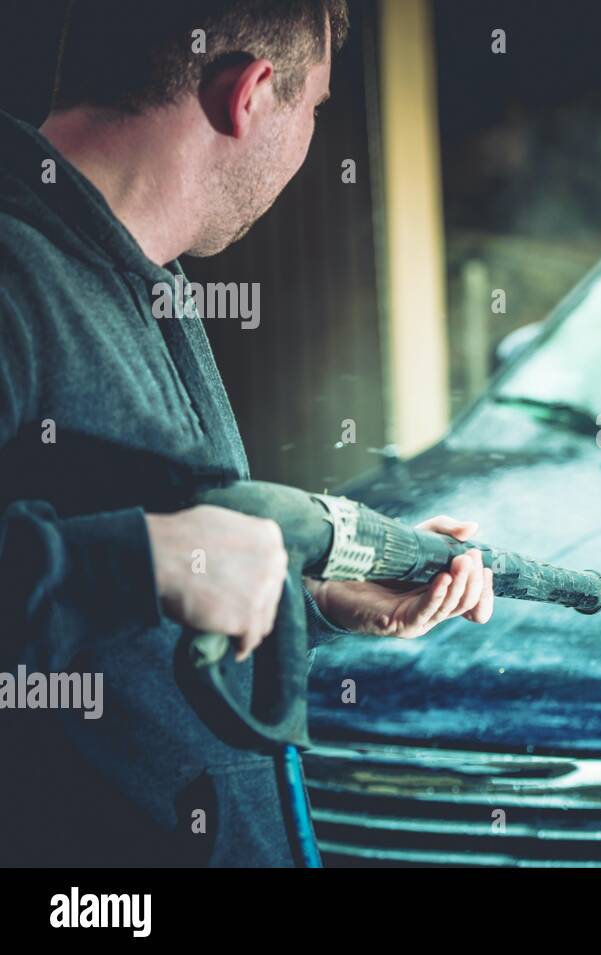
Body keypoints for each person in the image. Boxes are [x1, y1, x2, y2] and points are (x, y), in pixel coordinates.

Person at [0, 0, 492, 866]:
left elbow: (132, 587)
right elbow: (145, 561)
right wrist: (153, 559)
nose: (311, 139)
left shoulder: (148, 274)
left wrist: (309, 593)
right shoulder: (14, 270)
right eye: (317, 108)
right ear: (251, 94)